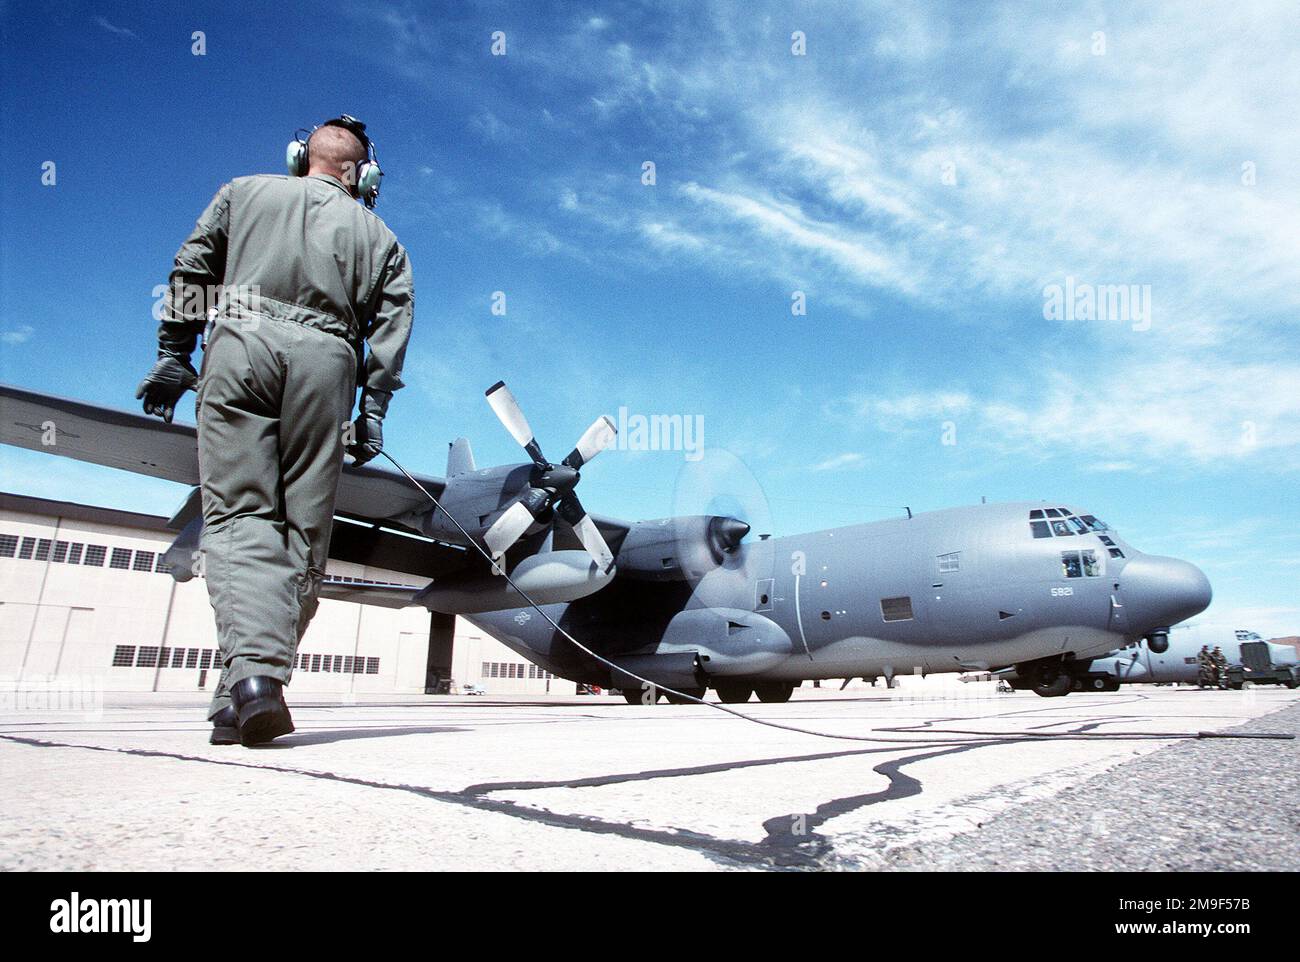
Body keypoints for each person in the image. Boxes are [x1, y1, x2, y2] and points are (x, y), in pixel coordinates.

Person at [136, 115, 414, 746]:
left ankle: (249, 685)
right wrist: (372, 412)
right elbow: (391, 335)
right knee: (305, 536)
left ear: (299, 159)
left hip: (240, 344)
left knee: (239, 516)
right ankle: (248, 692)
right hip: (328, 365)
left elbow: (191, 270)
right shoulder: (385, 241)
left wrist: (174, 352)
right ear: (363, 176)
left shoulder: (241, 192)